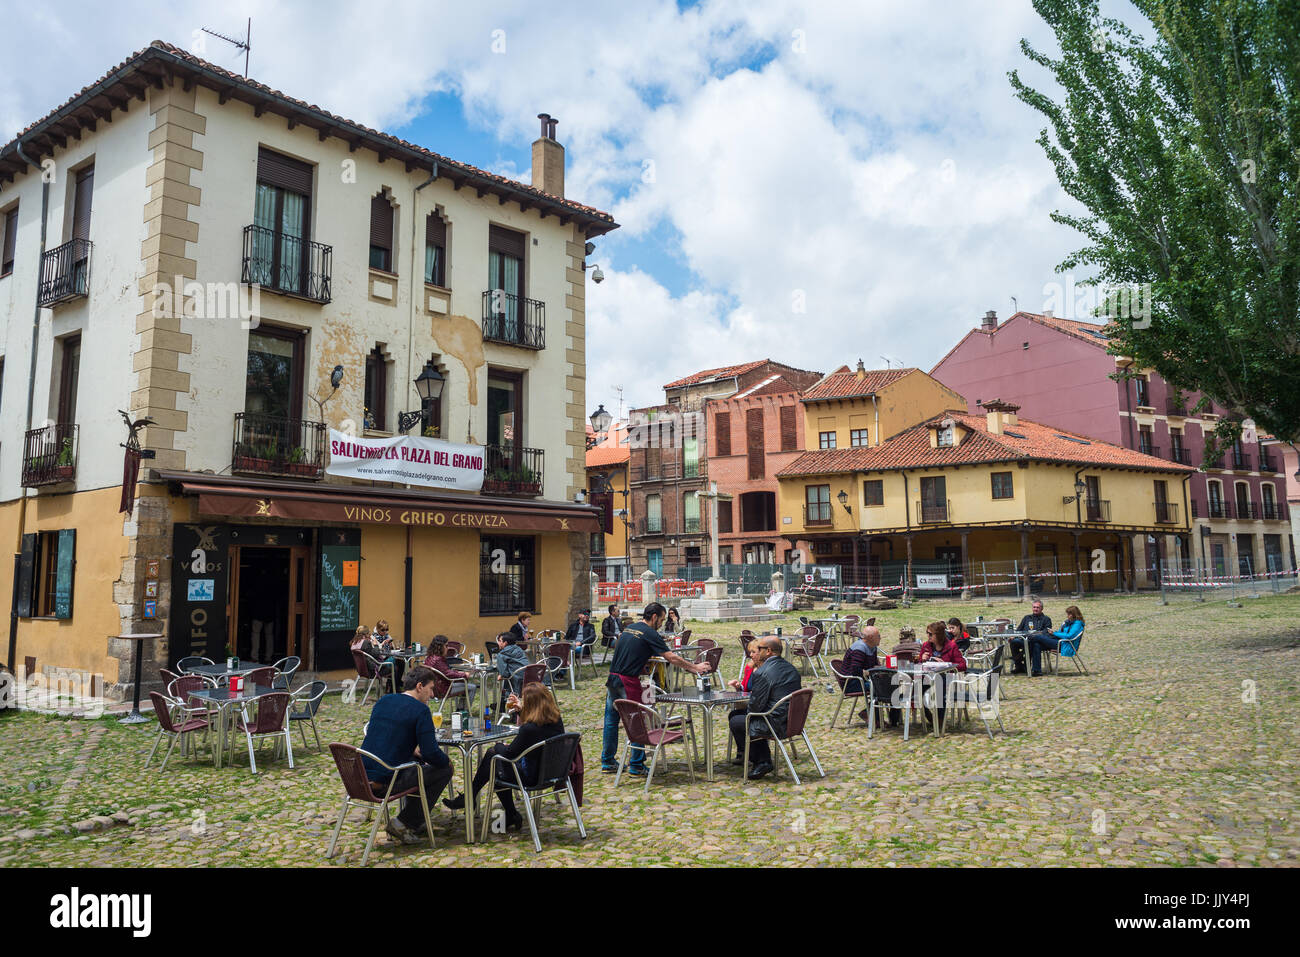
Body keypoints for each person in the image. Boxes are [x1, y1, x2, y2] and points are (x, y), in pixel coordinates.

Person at [601, 602, 710, 774]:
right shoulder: (650, 633)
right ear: (654, 617)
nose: (661, 623)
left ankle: (607, 761)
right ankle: (636, 764)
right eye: (661, 619)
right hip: (627, 681)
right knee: (637, 721)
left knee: (611, 720)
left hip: (613, 678)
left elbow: (629, 651)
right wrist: (694, 667)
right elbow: (671, 657)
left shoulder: (631, 628)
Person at [443, 682, 565, 831]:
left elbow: (509, 754)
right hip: (554, 772)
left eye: (524, 700)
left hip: (532, 777)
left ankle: (471, 797)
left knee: (493, 757)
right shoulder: (556, 721)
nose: (522, 701)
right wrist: (521, 711)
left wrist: (500, 746)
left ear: (532, 704)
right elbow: (533, 733)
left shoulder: (529, 729)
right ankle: (487, 804)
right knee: (494, 763)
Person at [359, 665, 453, 845]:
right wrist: (446, 760)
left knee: (416, 763)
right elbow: (431, 752)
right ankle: (405, 822)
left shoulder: (384, 700)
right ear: (419, 686)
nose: (432, 695)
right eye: (431, 689)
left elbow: (384, 735)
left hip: (360, 777)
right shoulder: (420, 710)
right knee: (443, 770)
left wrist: (411, 750)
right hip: (385, 782)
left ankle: (415, 820)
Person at [728, 636, 802, 779]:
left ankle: (762, 761)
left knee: (738, 721)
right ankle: (748, 754)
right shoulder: (791, 668)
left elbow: (755, 707)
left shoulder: (763, 672)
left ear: (768, 651)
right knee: (736, 714)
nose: (756, 652)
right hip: (792, 720)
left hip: (774, 722)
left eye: (759, 649)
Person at [1027, 605, 1084, 676]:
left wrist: (1054, 633)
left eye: (1069, 614)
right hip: (1060, 641)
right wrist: (1054, 632)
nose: (1067, 616)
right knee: (1036, 644)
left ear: (1074, 615)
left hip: (1065, 645)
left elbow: (1069, 636)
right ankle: (1037, 671)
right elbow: (1061, 632)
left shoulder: (1077, 624)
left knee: (1037, 637)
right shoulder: (1068, 623)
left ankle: (1027, 640)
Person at [422, 634, 476, 706]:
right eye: (446, 646)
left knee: (463, 683)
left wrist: (458, 673)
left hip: (433, 688)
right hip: (442, 689)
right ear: (440, 647)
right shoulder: (438, 660)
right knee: (472, 687)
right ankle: (464, 713)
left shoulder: (429, 657)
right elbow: (448, 674)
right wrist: (464, 674)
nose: (448, 648)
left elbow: (445, 671)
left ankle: (460, 710)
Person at [1009, 600, 1053, 674]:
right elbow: (1019, 630)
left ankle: (1023, 664)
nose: (1035, 609)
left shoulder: (1046, 619)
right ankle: (1019, 666)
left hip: (1036, 641)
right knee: (1013, 642)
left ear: (1042, 608)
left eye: (1037, 607)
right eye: (1034, 607)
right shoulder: (1026, 618)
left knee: (1032, 644)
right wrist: (1013, 636)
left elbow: (1047, 632)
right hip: (1023, 639)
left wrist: (1038, 634)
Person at [495, 631, 532, 697]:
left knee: (503, 686)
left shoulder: (501, 655)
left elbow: (504, 674)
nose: (498, 642)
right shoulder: (519, 649)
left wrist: (501, 675)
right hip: (530, 678)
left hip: (518, 683)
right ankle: (501, 705)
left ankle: (501, 704)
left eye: (500, 641)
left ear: (505, 643)